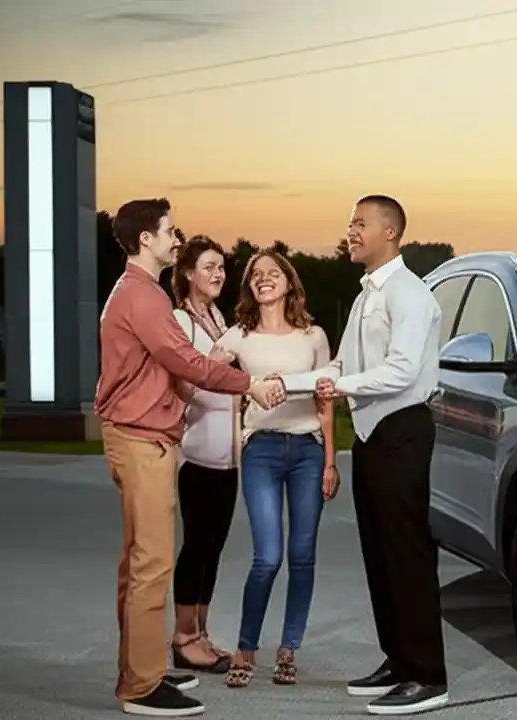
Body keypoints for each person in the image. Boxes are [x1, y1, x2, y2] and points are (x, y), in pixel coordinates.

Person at [96, 198, 285, 718]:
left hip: (141, 435)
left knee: (138, 565)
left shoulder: (140, 293)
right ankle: (140, 686)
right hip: (141, 439)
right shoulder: (144, 297)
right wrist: (249, 383)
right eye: (167, 230)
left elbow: (181, 366)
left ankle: (145, 668)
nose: (174, 237)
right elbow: (187, 362)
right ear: (144, 240)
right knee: (151, 564)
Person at [277, 195, 448, 715]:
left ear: (390, 231)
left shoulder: (410, 294)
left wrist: (341, 386)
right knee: (378, 551)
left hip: (403, 431)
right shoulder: (365, 296)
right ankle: (398, 660)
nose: (350, 231)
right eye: (349, 223)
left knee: (407, 552)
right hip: (372, 437)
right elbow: (339, 366)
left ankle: (428, 676)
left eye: (360, 223)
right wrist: (284, 383)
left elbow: (400, 371)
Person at [214, 249, 340, 690]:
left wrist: (330, 462)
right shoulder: (238, 337)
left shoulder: (314, 336)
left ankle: (289, 648)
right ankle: (246, 647)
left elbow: (325, 401)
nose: (264, 278)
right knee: (267, 557)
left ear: (289, 282)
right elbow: (203, 371)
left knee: (302, 556)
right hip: (261, 451)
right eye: (255, 274)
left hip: (308, 450)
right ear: (249, 287)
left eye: (273, 272)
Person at [168, 234, 239, 675]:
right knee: (196, 547)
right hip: (197, 458)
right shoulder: (180, 321)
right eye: (209, 267)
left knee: (214, 548)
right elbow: (182, 387)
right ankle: (182, 637)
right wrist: (216, 359)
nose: (218, 275)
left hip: (229, 459)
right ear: (188, 273)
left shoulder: (217, 316)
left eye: (222, 267)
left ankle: (202, 634)